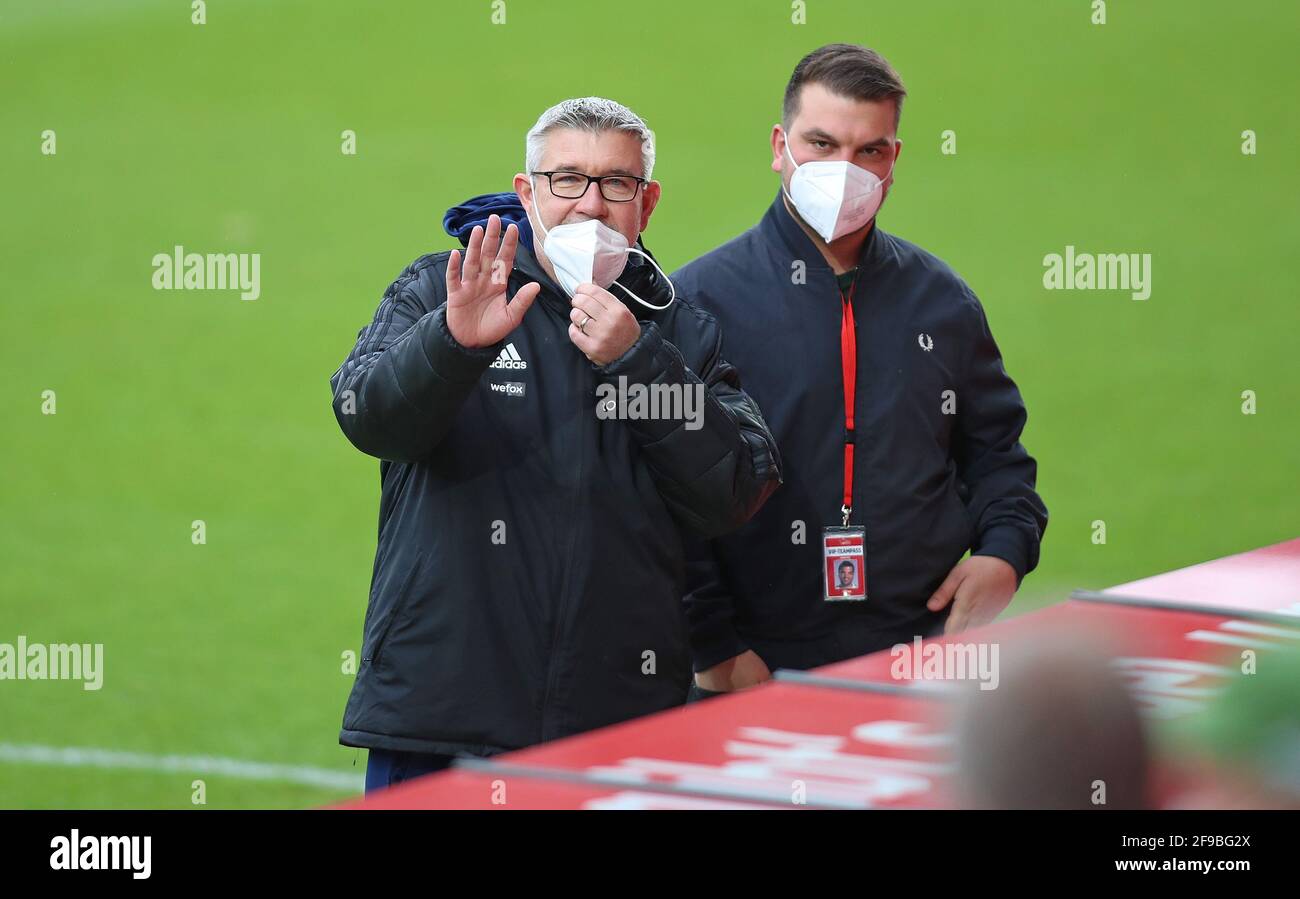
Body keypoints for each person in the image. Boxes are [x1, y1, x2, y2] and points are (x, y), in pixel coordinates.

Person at [329, 97, 781, 792]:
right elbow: (367, 417)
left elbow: (737, 490)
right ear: (527, 191)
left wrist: (638, 361)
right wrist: (451, 345)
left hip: (615, 730)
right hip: (441, 719)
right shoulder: (442, 289)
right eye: (567, 179)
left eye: (616, 184)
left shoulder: (680, 332)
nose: (591, 205)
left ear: (647, 203)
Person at [673, 45, 1048, 700]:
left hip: (925, 658)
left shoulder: (943, 300)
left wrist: (1005, 554)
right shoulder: (701, 303)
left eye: (868, 150)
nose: (843, 171)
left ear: (893, 160)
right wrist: (715, 644)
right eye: (821, 143)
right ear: (778, 146)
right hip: (753, 670)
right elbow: (665, 494)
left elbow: (998, 458)